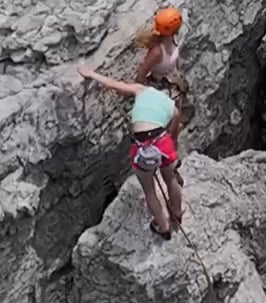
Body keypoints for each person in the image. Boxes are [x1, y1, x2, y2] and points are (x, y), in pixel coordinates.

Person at [77, 60, 185, 238]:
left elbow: (115, 84)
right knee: (171, 179)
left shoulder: (142, 90)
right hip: (162, 140)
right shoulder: (174, 110)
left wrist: (91, 74)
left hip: (142, 144)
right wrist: (172, 155)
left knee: (149, 189)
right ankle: (177, 213)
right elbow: (172, 135)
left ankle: (163, 226)